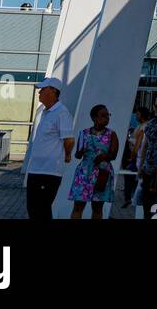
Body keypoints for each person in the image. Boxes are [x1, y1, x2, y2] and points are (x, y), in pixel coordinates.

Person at [25, 77, 74, 219]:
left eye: (43, 89)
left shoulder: (62, 113)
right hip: (35, 169)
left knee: (42, 209)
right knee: (33, 209)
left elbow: (69, 139)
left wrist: (67, 155)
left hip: (49, 171)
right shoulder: (45, 113)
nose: (39, 92)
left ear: (53, 91)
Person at [69, 104, 118, 219]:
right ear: (94, 118)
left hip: (102, 173)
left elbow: (114, 154)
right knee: (78, 207)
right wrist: (79, 152)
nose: (107, 118)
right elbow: (77, 155)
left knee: (97, 208)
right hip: (84, 172)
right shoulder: (84, 133)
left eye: (108, 115)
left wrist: (104, 156)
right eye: (103, 115)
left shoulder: (112, 134)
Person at [120, 108, 149, 208]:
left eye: (137, 114)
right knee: (132, 177)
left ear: (142, 115)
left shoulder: (144, 127)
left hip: (139, 157)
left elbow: (138, 144)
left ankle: (130, 198)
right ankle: (130, 198)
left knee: (132, 176)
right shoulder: (140, 126)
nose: (136, 116)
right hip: (136, 156)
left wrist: (132, 156)